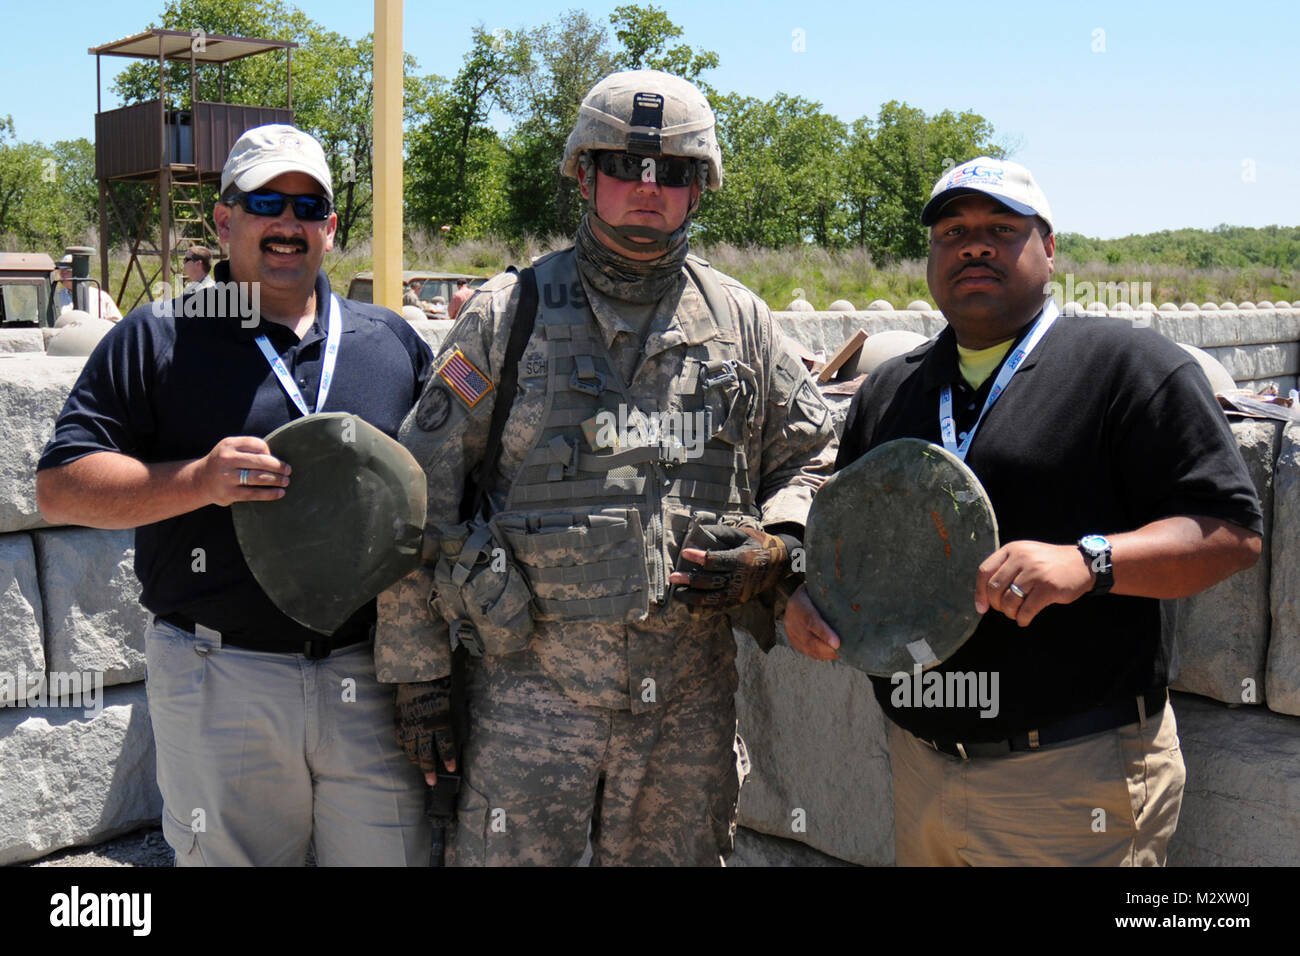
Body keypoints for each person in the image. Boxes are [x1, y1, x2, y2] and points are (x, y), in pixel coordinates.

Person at [377, 70, 836, 866]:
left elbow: (815, 457)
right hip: (528, 693)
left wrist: (780, 545)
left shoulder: (743, 324)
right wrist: (418, 677)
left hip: (686, 700)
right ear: (586, 176)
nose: (648, 188)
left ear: (702, 188)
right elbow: (417, 493)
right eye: (626, 166)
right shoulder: (505, 318)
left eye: (675, 171)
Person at [784, 157, 1263, 866]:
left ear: (1048, 247)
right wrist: (807, 595)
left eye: (1000, 228)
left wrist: (1087, 562)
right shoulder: (889, 389)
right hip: (922, 767)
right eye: (953, 231)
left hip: (1073, 779)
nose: (974, 244)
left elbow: (1231, 533)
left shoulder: (1128, 368)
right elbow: (849, 542)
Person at [35, 124, 434, 866]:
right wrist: (198, 482)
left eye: (308, 206)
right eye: (265, 203)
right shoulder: (157, 336)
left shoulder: (391, 342)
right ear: (224, 220)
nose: (288, 223)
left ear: (331, 227)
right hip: (223, 675)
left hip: (369, 675)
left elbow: (441, 489)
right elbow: (61, 488)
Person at [55, 254, 122, 321]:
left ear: (77, 272)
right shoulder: (56, 298)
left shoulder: (101, 296)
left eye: (66, 272)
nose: (62, 275)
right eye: (60, 272)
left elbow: (117, 322)